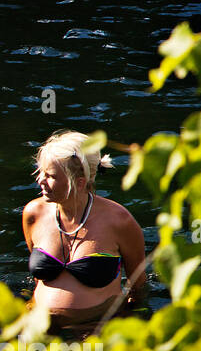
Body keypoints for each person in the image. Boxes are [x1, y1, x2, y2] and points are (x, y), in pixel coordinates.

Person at [21, 131, 147, 339]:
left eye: (51, 176)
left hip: (96, 329)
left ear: (79, 183)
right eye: (41, 172)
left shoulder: (119, 221)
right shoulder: (33, 214)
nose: (40, 181)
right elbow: (37, 279)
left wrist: (122, 324)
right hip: (40, 327)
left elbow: (138, 285)